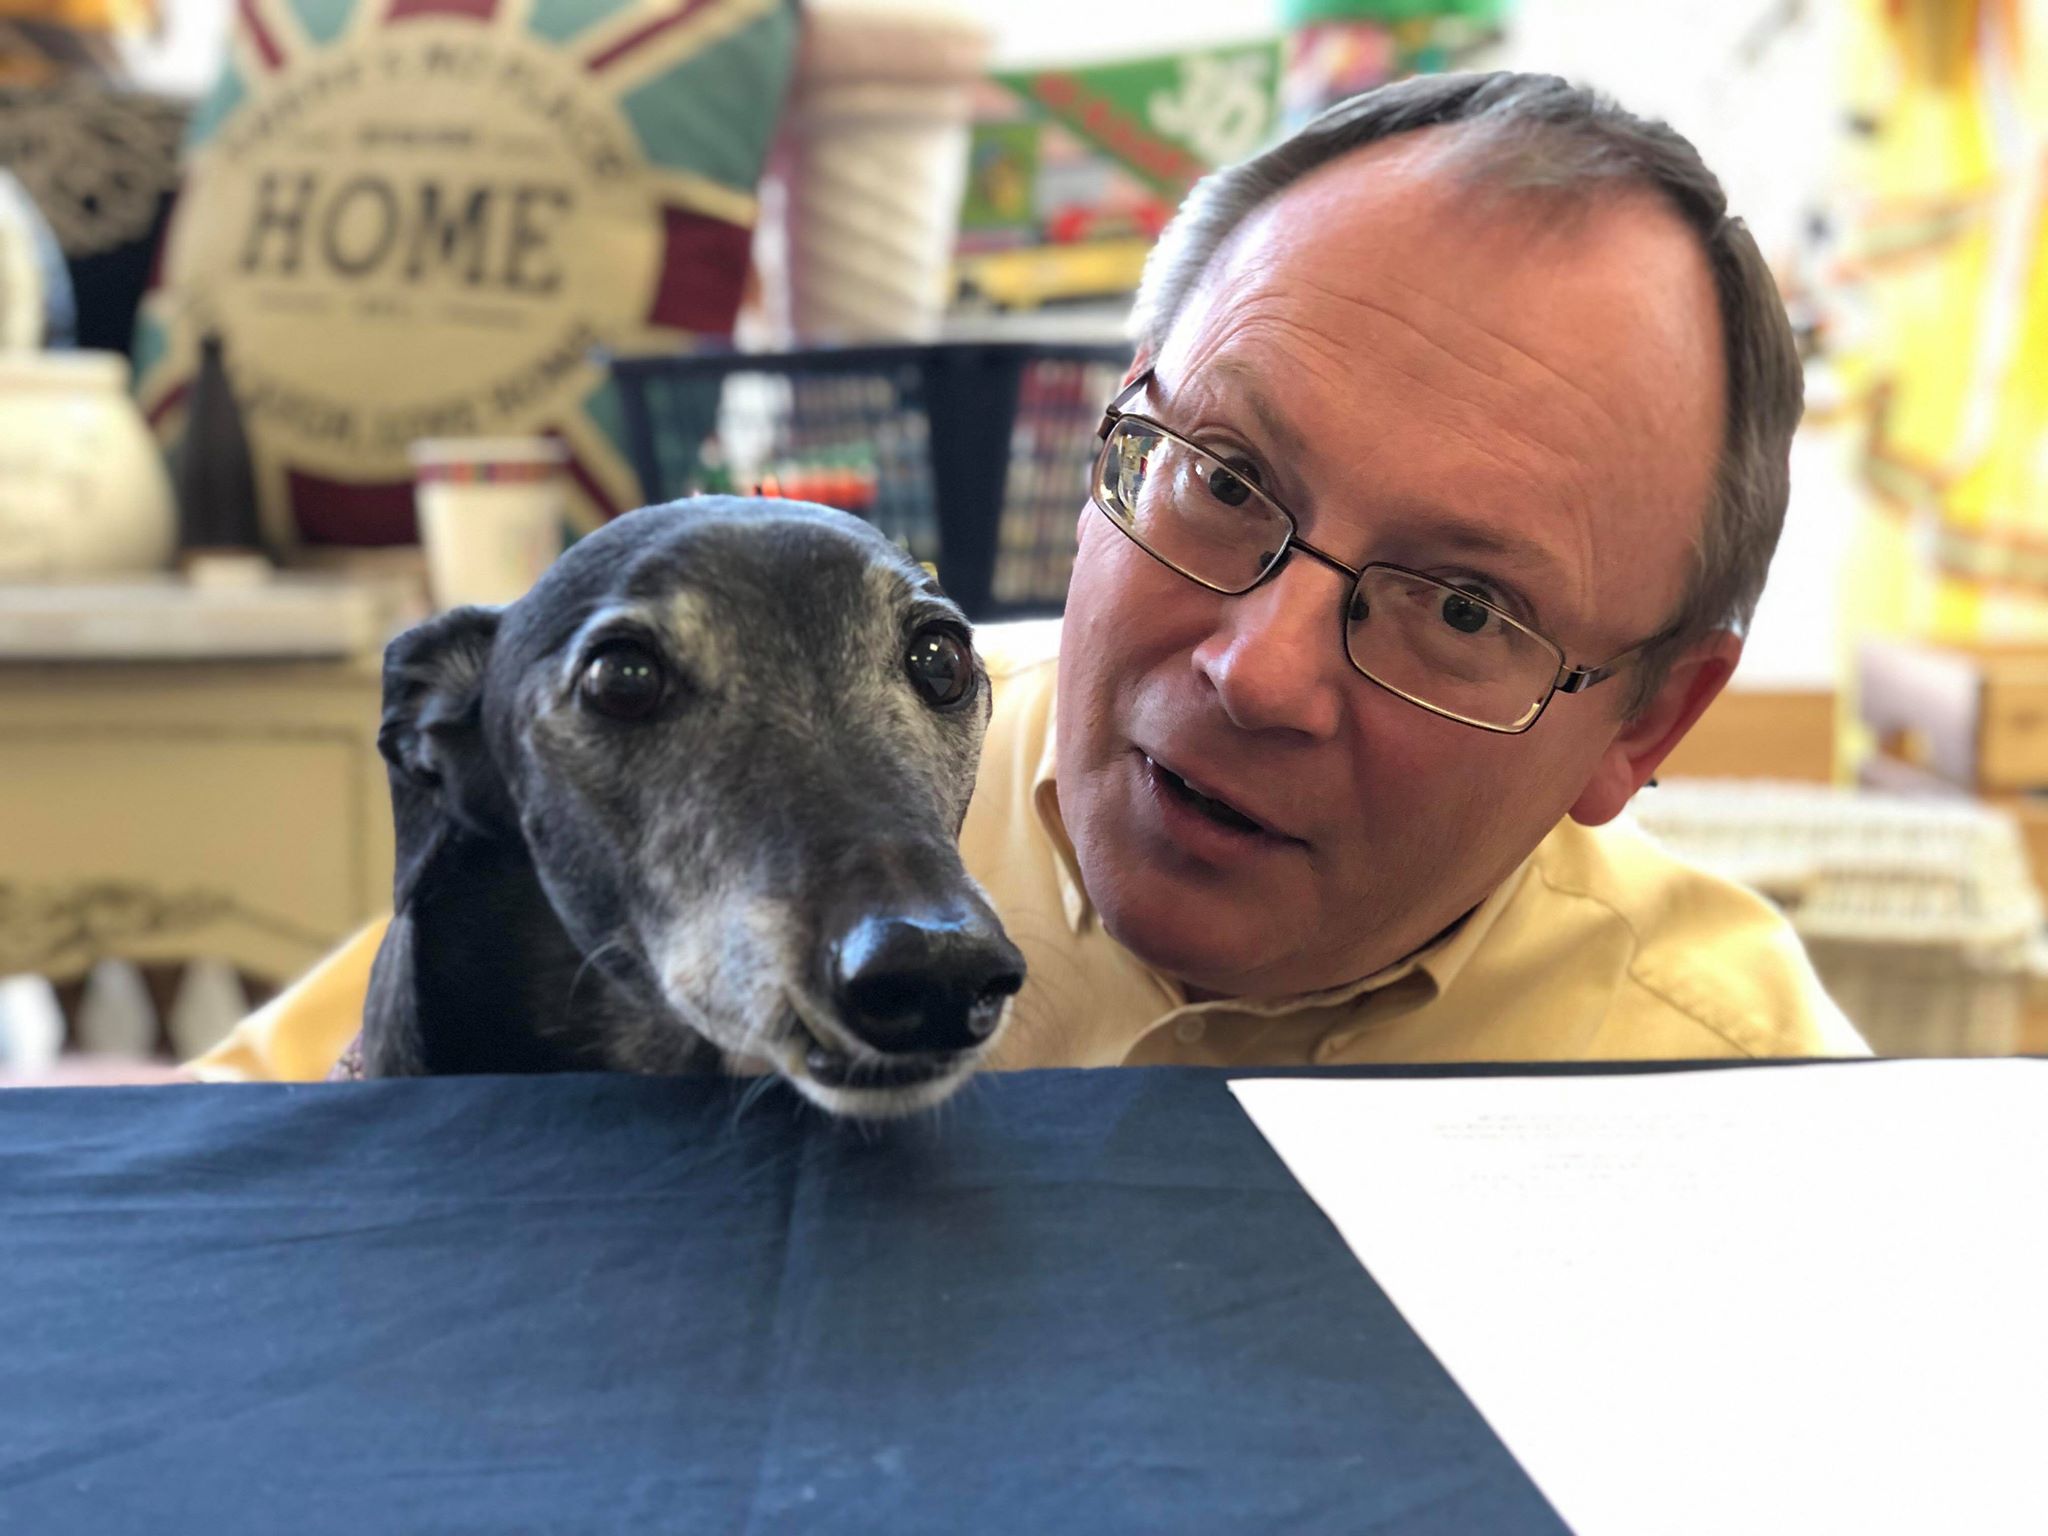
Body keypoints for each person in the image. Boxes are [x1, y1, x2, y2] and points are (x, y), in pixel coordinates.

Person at [191, 71, 1867, 1082]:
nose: (1256, 675)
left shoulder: (1736, 1109)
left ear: (1646, 725)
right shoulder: (766, 782)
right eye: (1221, 481)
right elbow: (253, 1176)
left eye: (1460, 609)